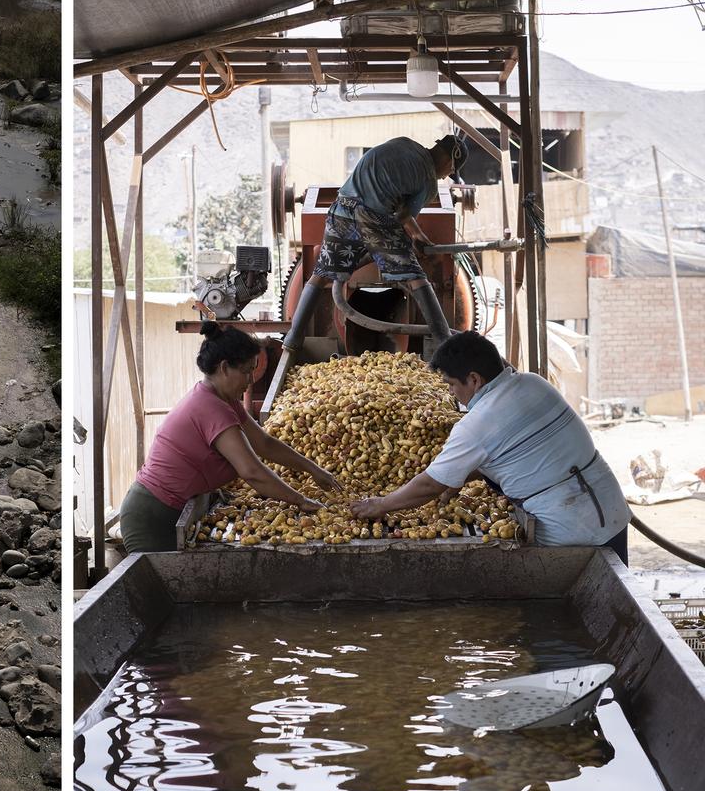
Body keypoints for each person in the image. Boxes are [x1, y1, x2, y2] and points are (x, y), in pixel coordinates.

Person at [352, 330, 630, 559]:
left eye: (451, 385)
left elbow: (429, 486)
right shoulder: (534, 383)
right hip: (610, 508)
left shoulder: (476, 424)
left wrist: (382, 504)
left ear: (474, 379)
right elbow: (521, 452)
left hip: (570, 530)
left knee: (556, 609)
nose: (451, 393)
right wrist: (458, 475)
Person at [121, 322, 344, 552]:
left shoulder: (224, 400)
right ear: (225, 367)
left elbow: (264, 444)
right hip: (153, 515)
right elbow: (251, 472)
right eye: (247, 371)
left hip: (175, 509)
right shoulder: (210, 408)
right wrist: (300, 500)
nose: (250, 381)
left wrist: (315, 470)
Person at [282, 134, 468, 361]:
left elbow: (389, 195)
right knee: (414, 276)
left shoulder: (404, 142)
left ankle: (292, 339)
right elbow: (403, 215)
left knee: (320, 274)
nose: (445, 176)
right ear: (450, 162)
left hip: (342, 208)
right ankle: (444, 342)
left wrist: (417, 232)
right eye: (449, 174)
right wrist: (396, 244)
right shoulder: (428, 180)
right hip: (373, 217)